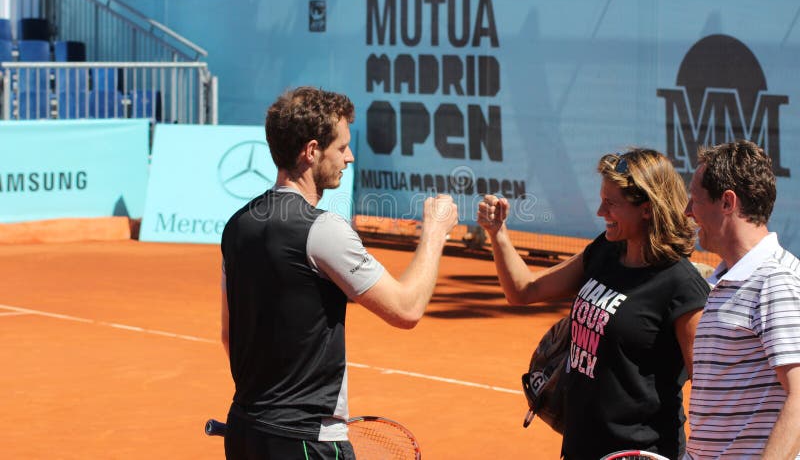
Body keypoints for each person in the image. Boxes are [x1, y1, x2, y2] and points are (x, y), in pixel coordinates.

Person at [220, 86, 458, 460]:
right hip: (306, 439)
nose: (349, 157)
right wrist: (434, 232)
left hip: (246, 431)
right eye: (342, 147)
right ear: (312, 151)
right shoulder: (323, 229)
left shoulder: (238, 225)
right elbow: (406, 309)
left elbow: (228, 336)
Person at [477, 148, 710, 460]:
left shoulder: (681, 285)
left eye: (611, 203)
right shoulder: (606, 251)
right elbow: (523, 290)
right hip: (581, 446)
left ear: (646, 208)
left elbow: (708, 388)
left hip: (640, 452)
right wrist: (498, 234)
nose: (601, 211)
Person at [683, 140, 800, 460]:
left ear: (727, 202)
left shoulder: (775, 282)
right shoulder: (723, 282)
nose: (687, 212)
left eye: (694, 200)